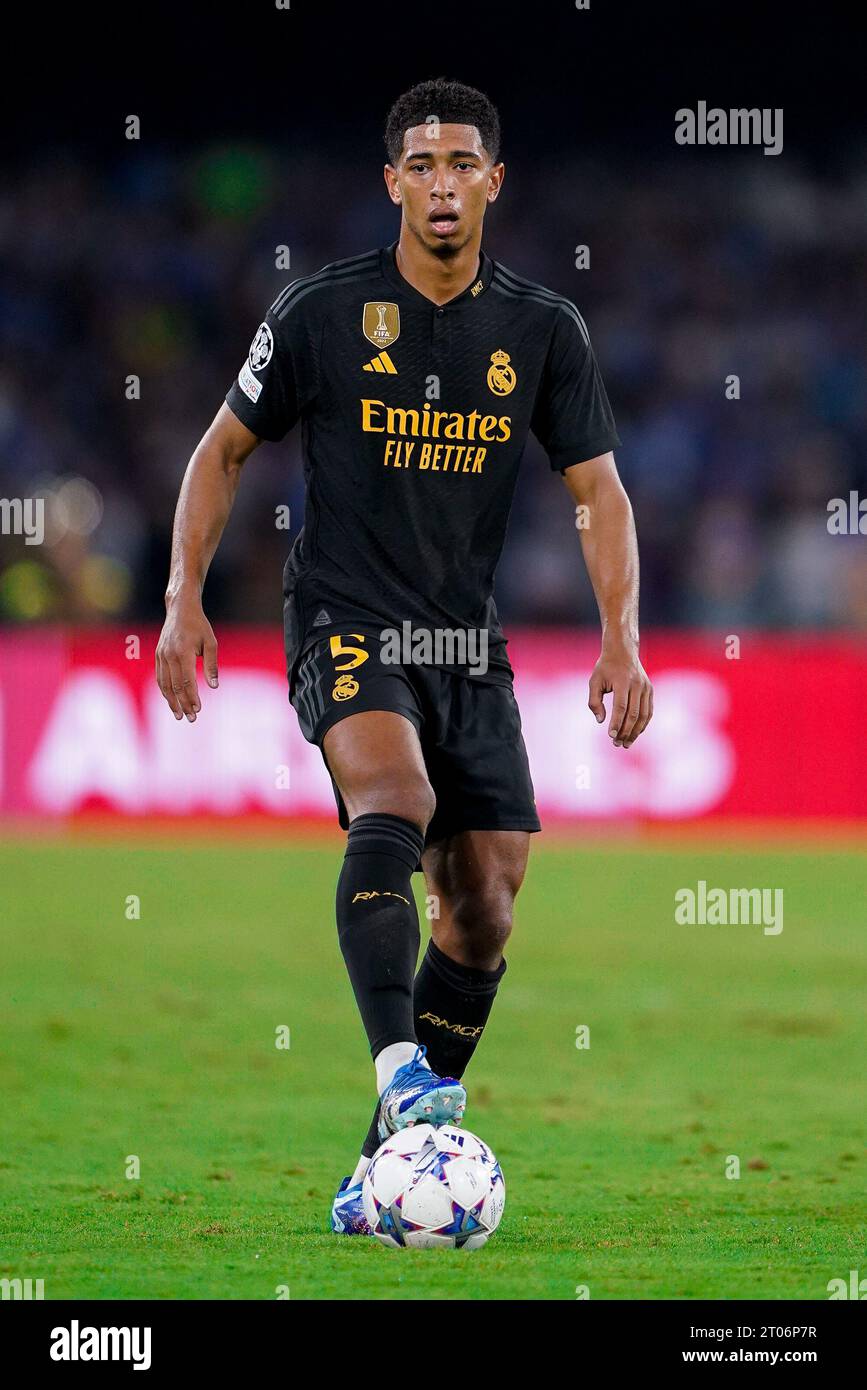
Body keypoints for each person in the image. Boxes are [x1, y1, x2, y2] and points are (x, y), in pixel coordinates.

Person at [155, 78, 653, 1235]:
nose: (441, 184)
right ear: (393, 183)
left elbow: (600, 489)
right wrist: (182, 600)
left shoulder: (541, 330)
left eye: (461, 164)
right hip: (344, 618)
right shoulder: (324, 312)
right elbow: (221, 452)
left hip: (465, 642)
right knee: (395, 796)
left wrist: (621, 636)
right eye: (420, 165)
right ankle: (400, 1075)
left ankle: (381, 1162)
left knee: (483, 906)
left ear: (493, 182)